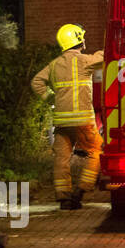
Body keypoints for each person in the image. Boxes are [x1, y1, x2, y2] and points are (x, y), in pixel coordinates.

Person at [31, 24, 105, 210]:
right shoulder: (85, 61)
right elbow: (105, 57)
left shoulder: (54, 64)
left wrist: (50, 97)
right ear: (78, 40)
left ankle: (64, 198)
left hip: (62, 123)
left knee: (61, 159)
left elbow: (36, 82)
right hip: (83, 123)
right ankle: (80, 191)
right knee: (95, 151)